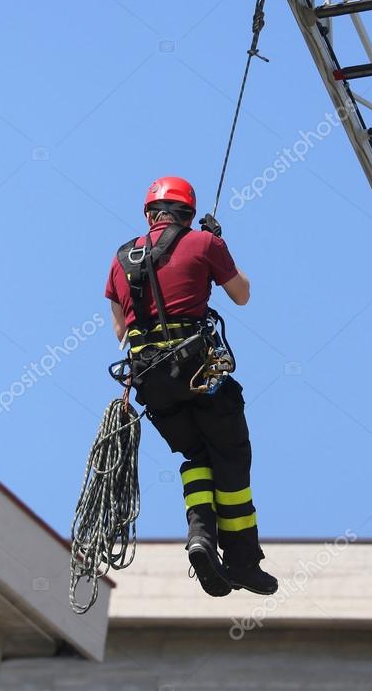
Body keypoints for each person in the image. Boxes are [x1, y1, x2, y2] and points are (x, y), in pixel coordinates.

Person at [104, 176, 278, 598]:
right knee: (231, 457)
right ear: (187, 212)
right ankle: (242, 562)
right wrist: (214, 246)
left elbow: (119, 334)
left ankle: (202, 538)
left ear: (149, 215)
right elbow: (242, 295)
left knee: (196, 455)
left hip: (150, 381)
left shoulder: (121, 258)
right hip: (199, 372)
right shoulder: (204, 244)